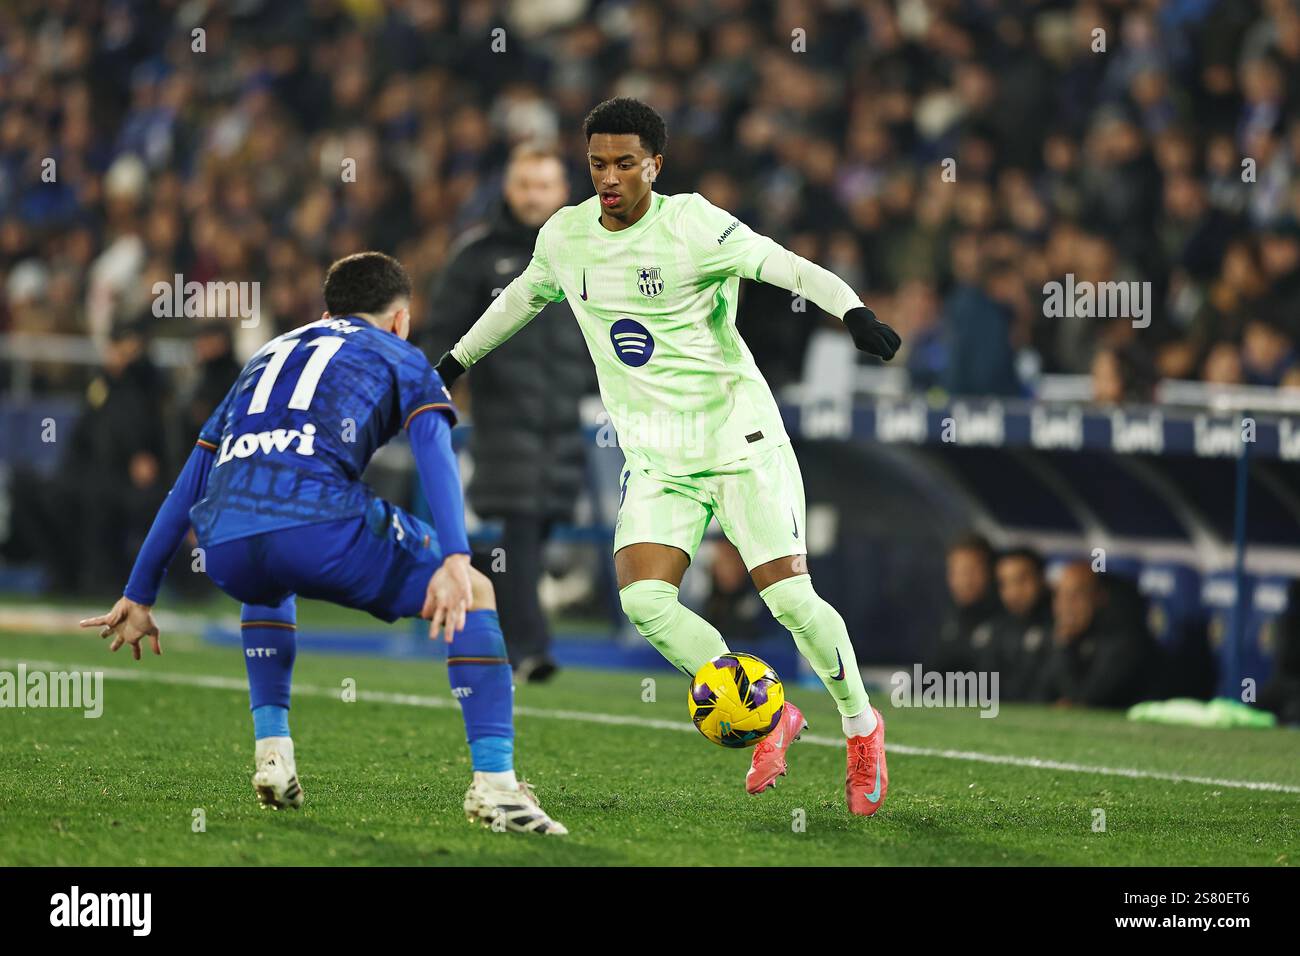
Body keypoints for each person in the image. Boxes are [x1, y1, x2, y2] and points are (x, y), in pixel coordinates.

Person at [433, 97, 902, 816]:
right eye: (597, 164)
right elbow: (520, 300)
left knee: (789, 600)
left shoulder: (694, 225)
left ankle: (861, 726)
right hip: (658, 457)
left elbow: (788, 267)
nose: (609, 177)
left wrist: (852, 311)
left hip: (738, 440)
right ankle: (768, 713)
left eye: (625, 162)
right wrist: (451, 365)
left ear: (655, 163)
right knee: (646, 601)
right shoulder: (566, 236)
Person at [79, 252, 566, 836]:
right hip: (316, 524)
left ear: (329, 308)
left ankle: (273, 753)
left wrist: (139, 592)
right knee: (478, 594)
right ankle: (497, 789)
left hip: (226, 539)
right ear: (399, 319)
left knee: (268, 577)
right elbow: (433, 447)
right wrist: (456, 558)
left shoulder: (266, 355)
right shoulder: (398, 353)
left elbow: (192, 478)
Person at [422, 142, 590, 683]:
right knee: (519, 523)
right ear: (507, 188)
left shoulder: (589, 249)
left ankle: (484, 614)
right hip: (503, 414)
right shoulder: (477, 254)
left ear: (562, 191)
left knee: (537, 527)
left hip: (567, 415)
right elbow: (442, 326)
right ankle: (530, 647)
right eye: (525, 184)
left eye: (544, 185)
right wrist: (437, 383)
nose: (534, 195)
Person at [1037, 562, 1162, 709]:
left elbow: (1086, 701)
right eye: (1060, 595)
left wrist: (1063, 645)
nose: (1066, 605)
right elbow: (1040, 693)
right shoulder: (1058, 633)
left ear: (1099, 597)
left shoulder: (1124, 639)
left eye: (1077, 595)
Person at [987, 548, 1054, 701]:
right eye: (1005, 583)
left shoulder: (1061, 625)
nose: (1013, 591)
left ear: (1041, 578)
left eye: (1021, 580)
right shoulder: (997, 629)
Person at [931, 532, 1001, 674]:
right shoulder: (949, 622)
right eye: (955, 572)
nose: (964, 581)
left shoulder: (1007, 622)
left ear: (992, 572)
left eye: (971, 570)